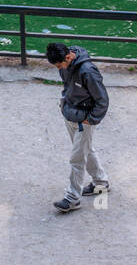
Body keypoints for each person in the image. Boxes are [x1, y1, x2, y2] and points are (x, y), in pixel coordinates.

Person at [46, 42, 110, 212]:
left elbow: (102, 100)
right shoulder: (64, 65)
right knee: (86, 151)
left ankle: (72, 198)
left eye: (60, 65)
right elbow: (68, 86)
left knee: (76, 158)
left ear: (68, 57)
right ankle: (100, 183)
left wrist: (91, 119)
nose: (59, 68)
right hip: (70, 114)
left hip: (84, 121)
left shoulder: (88, 71)